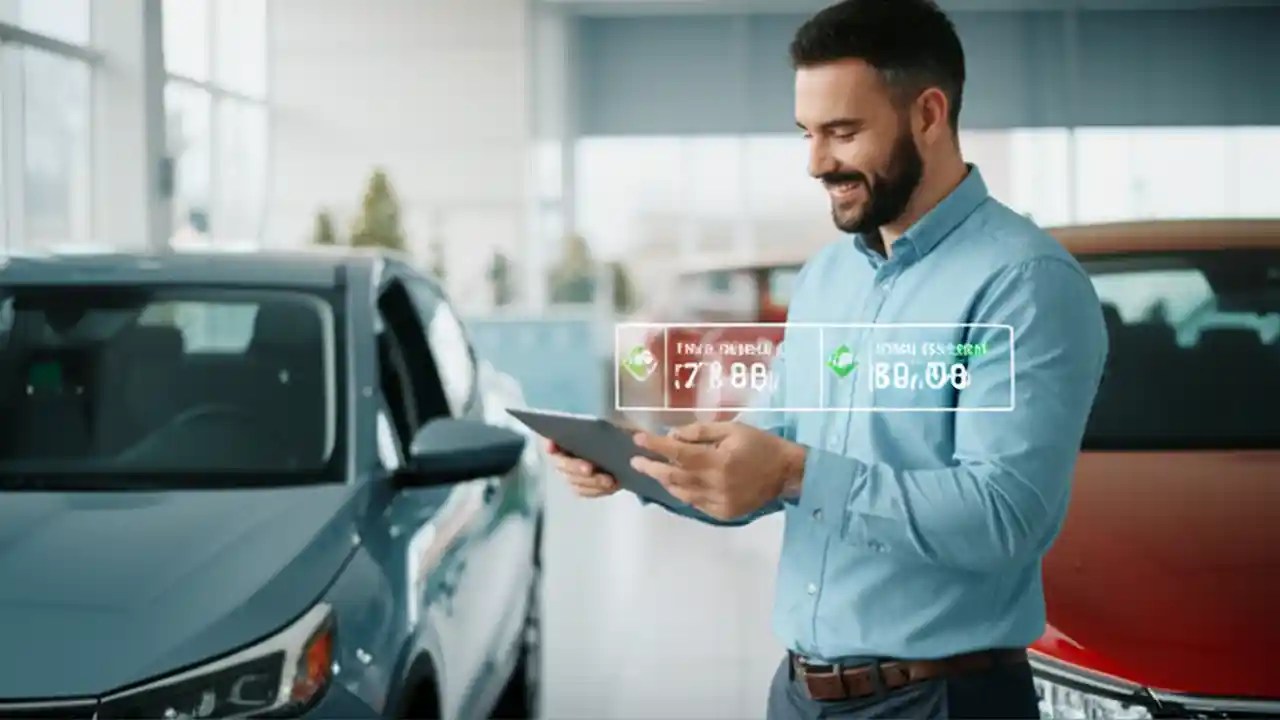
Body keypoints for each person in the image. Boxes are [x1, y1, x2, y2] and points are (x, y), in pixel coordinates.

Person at [548, 0, 1108, 717]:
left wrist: (793, 472)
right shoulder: (826, 279)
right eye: (808, 134)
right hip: (800, 693)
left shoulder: (1023, 285)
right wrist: (635, 464)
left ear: (928, 115)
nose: (816, 163)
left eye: (843, 132)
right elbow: (752, 462)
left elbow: (1006, 516)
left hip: (941, 699)